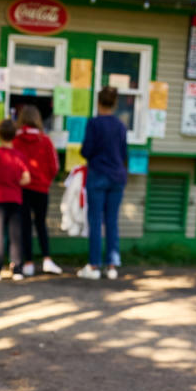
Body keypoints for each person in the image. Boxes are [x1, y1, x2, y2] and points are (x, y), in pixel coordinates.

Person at [77, 86, 128, 280]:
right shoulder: (121, 126)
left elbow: (86, 150)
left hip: (98, 175)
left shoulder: (94, 123)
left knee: (96, 220)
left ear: (98, 103)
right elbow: (124, 154)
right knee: (112, 221)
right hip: (117, 176)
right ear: (115, 103)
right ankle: (112, 265)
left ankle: (94, 265)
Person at [12, 104, 63, 276]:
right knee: (41, 223)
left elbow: (11, 165)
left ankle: (28, 263)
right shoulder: (45, 140)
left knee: (25, 224)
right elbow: (54, 166)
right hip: (41, 188)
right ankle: (47, 259)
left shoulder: (15, 141)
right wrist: (46, 181)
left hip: (22, 188)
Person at [0, 119, 31, 281]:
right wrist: (15, 182)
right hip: (15, 198)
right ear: (14, 135)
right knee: (15, 235)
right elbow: (26, 179)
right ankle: (17, 268)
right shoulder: (20, 156)